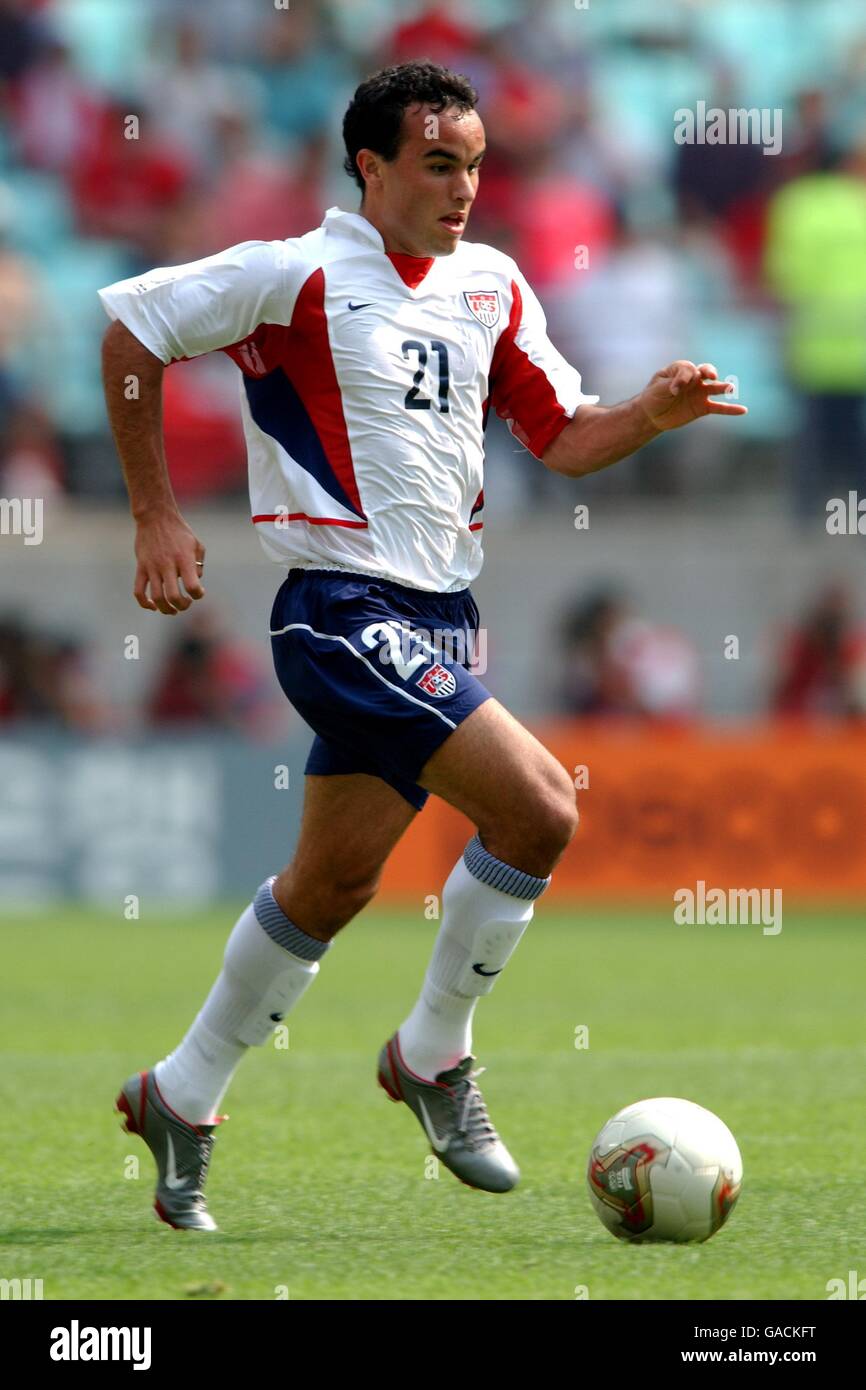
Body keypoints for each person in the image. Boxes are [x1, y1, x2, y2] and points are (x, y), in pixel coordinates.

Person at [99, 60, 746, 1231]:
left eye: (476, 165)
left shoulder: (491, 286)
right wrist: (153, 511)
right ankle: (431, 1054)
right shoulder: (293, 272)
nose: (463, 188)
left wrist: (645, 414)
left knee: (330, 885)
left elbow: (557, 435)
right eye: (439, 164)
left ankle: (179, 1093)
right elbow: (133, 331)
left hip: (441, 615)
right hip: (339, 610)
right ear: (372, 167)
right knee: (542, 808)